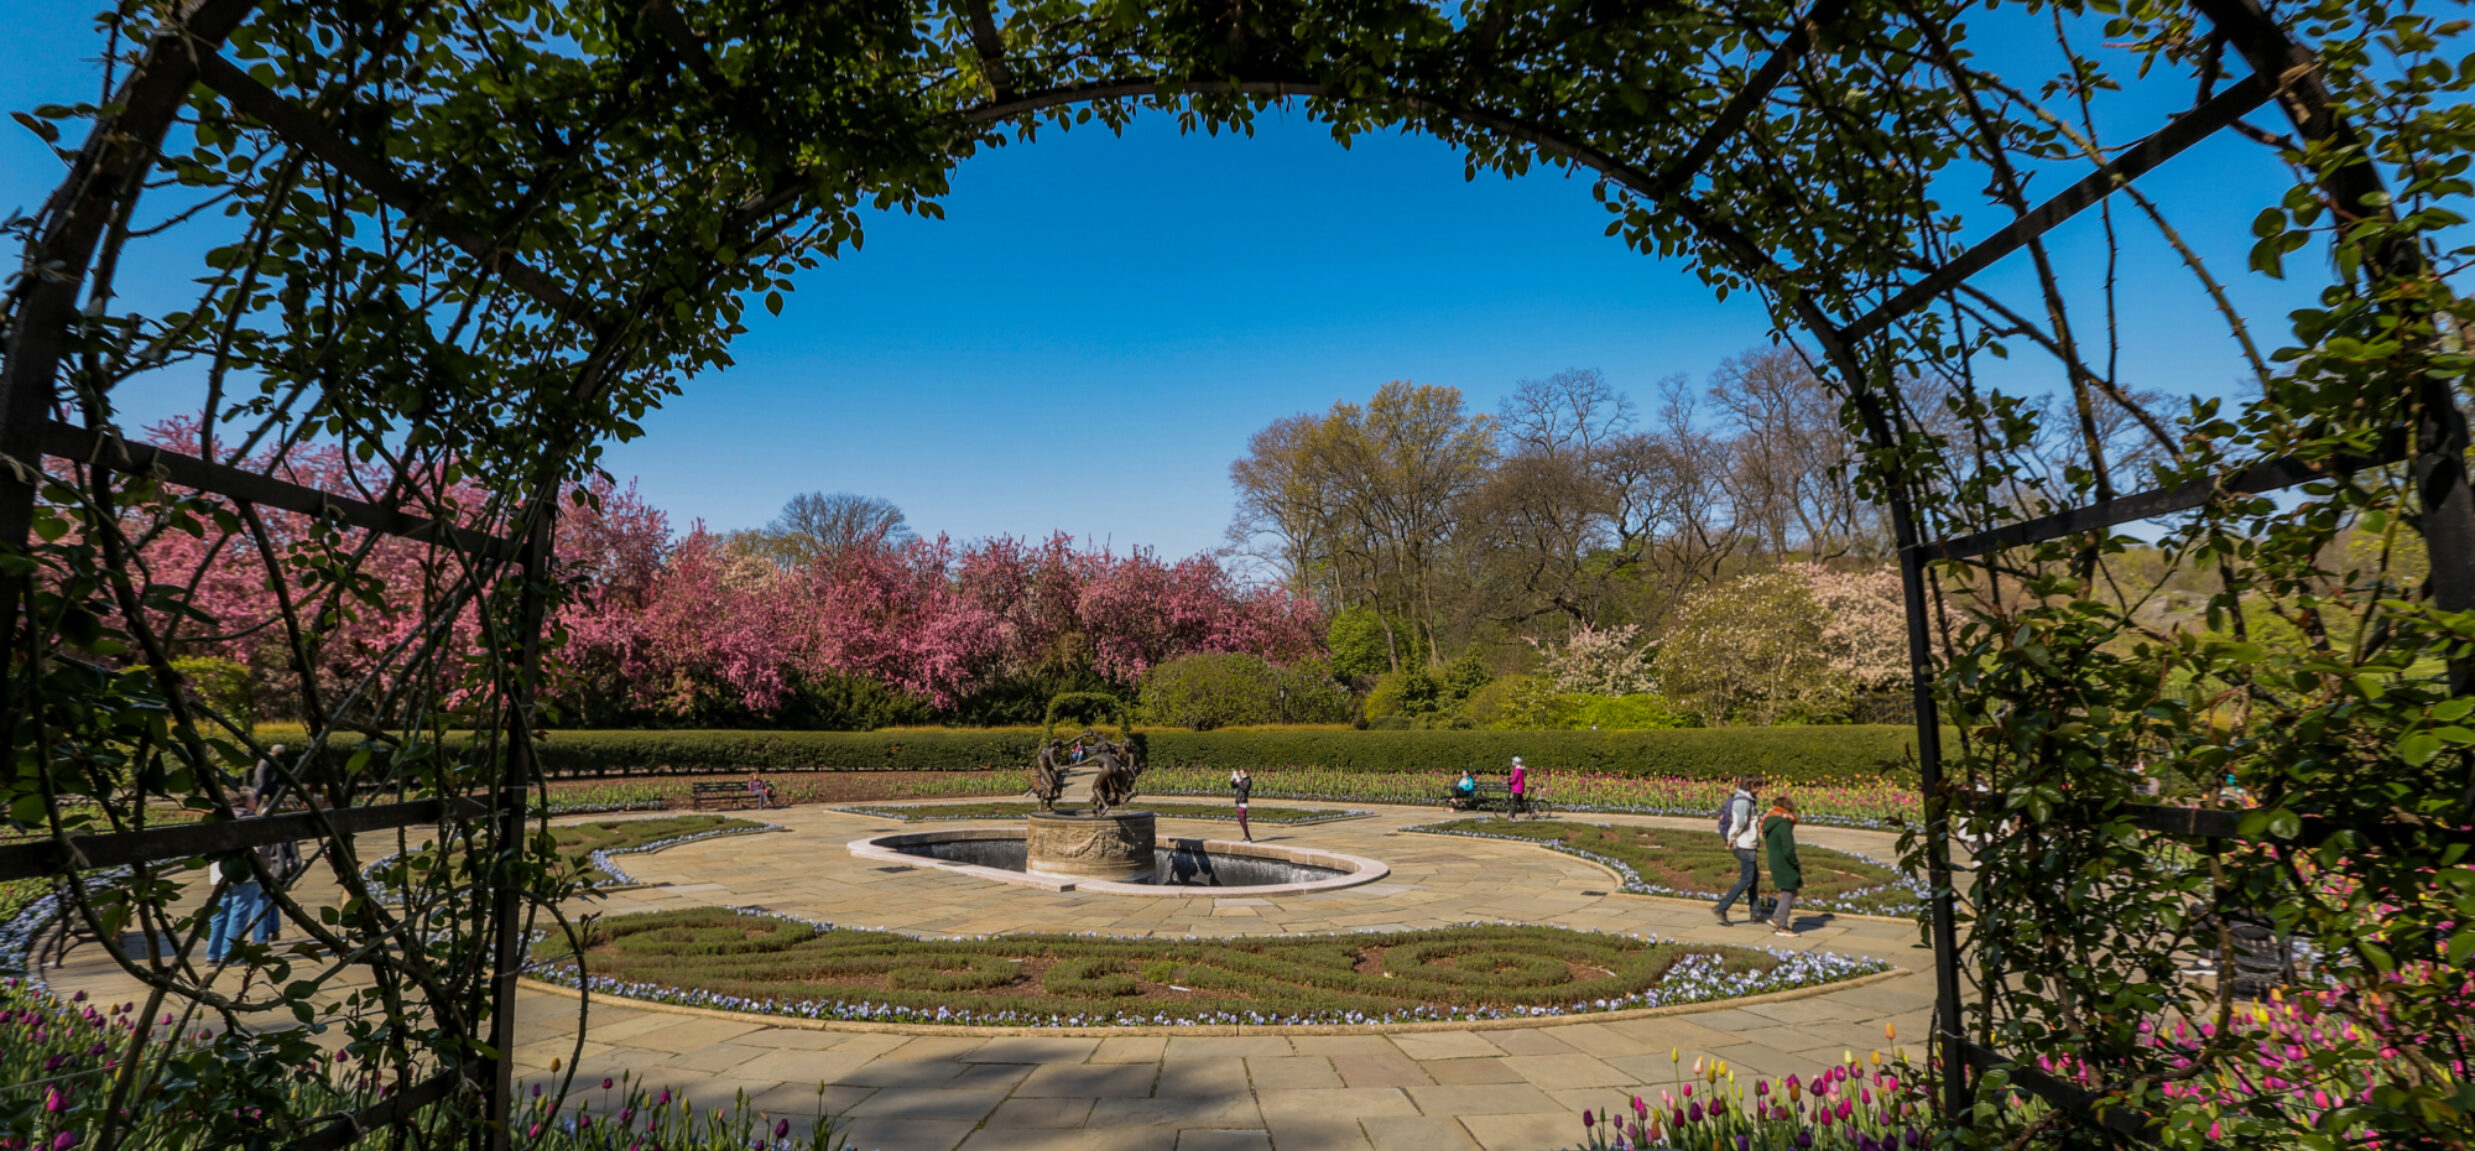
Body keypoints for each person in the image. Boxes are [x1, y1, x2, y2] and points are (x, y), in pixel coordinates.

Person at [207, 789, 269, 962]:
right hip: (244, 872)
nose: (256, 802)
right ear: (246, 802)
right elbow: (261, 848)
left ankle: (213, 953)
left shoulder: (217, 820)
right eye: (254, 799)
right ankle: (230, 954)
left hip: (219, 871)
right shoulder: (251, 820)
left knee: (219, 913)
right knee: (239, 913)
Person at [1712, 777, 1763, 925]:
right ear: (1752, 785)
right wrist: (1730, 839)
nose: (1761, 789)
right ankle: (1722, 907)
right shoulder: (1742, 801)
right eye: (1759, 786)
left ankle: (1756, 912)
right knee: (1747, 879)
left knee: (1753, 878)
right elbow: (1739, 823)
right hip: (1744, 844)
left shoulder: (1746, 799)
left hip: (1747, 843)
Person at [1764, 795, 1804, 937]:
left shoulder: (1769, 820)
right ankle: (1782, 925)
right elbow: (1788, 848)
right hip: (1784, 861)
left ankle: (1777, 917)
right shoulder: (1784, 824)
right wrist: (1795, 863)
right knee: (1789, 891)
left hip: (1775, 859)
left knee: (1789, 891)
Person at [1230, 767, 1254, 842]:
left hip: (1243, 801)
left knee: (1243, 820)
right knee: (1241, 820)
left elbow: (1245, 788)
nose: (1240, 773)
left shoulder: (1248, 780)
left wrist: (1239, 780)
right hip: (1239, 801)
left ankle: (1248, 837)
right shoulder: (1242, 780)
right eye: (1239, 772)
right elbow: (1234, 786)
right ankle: (1247, 837)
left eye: (1241, 772)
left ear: (1245, 772)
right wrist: (1232, 779)